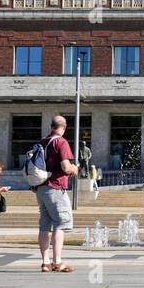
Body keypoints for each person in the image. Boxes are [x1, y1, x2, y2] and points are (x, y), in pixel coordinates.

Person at [36, 115, 79, 273]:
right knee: (60, 223)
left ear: (51, 126)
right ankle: (57, 262)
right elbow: (66, 167)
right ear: (64, 126)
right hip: (55, 187)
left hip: (40, 188)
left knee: (44, 225)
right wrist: (75, 169)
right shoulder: (61, 142)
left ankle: (45, 263)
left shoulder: (43, 142)